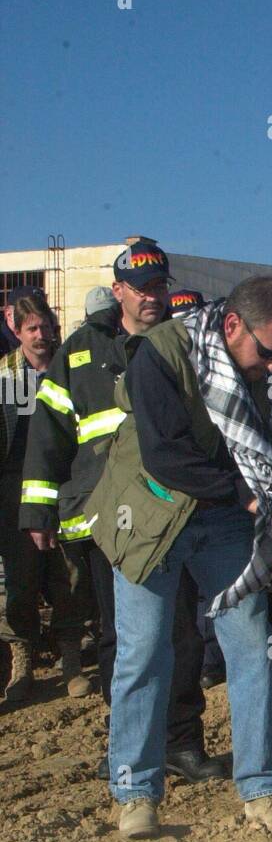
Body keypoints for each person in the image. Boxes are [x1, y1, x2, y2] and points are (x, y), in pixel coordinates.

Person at [87, 275, 272, 839]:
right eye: (267, 353)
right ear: (233, 325)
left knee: (251, 646)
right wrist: (248, 494)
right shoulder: (162, 354)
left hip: (222, 520)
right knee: (145, 651)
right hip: (151, 510)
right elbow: (167, 456)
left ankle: (263, 789)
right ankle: (136, 791)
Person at [19, 239, 226, 783]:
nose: (153, 296)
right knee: (120, 639)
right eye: (141, 288)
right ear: (119, 292)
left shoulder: (186, 344)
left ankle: (182, 742)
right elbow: (49, 433)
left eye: (160, 285)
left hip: (172, 516)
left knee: (180, 631)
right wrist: (39, 511)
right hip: (105, 518)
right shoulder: (83, 351)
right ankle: (131, 745)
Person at [0, 294, 92, 701]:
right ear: (16, 331)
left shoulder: (69, 367)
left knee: (68, 575)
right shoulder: (3, 375)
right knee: (20, 579)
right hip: (14, 493)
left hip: (65, 486)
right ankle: (22, 662)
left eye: (45, 327)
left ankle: (71, 658)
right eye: (31, 328)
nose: (40, 335)